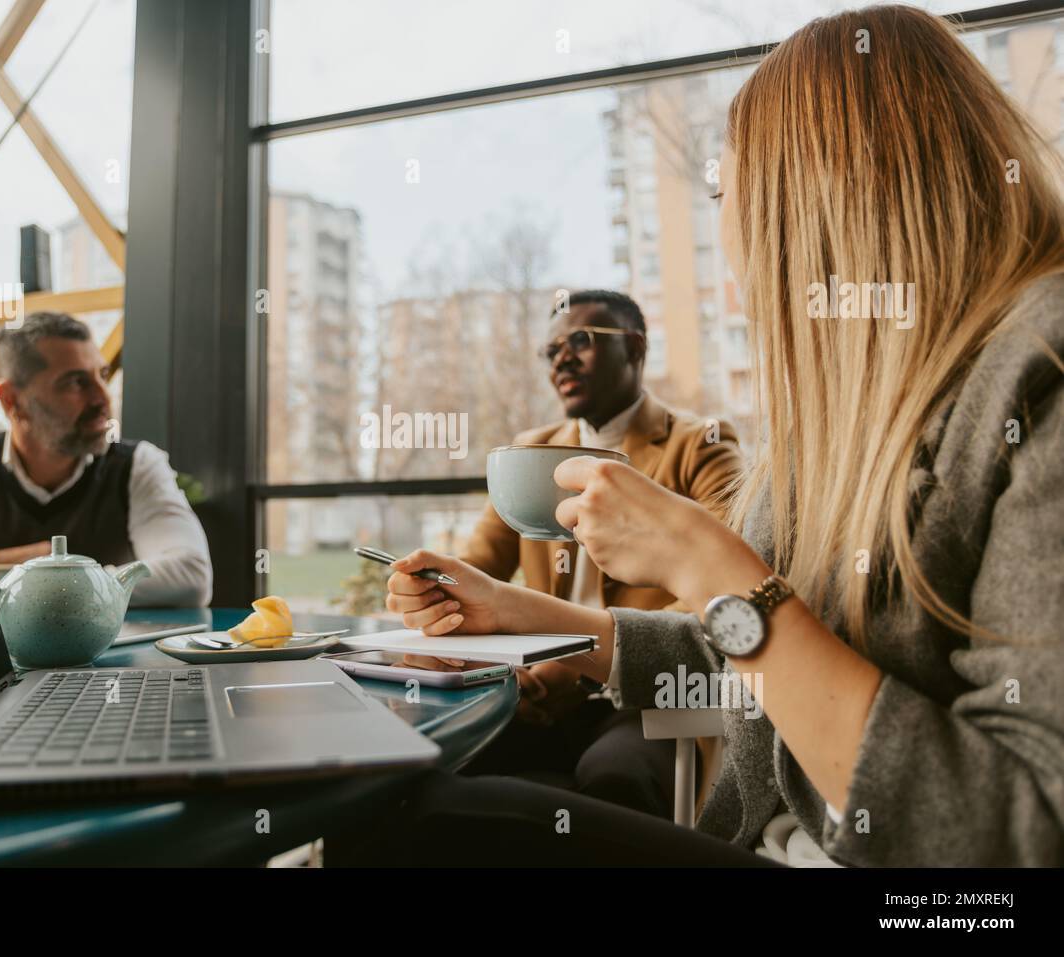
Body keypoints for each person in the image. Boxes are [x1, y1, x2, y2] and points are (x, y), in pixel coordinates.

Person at [331, 4, 1064, 866]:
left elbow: (1022, 831)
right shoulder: (856, 418)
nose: (730, 236)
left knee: (413, 825)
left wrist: (703, 560)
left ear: (825, 195)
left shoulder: (1036, 369)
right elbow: (750, 650)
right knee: (405, 794)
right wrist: (518, 614)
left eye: (726, 192)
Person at [457, 289, 744, 818]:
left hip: (645, 699)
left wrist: (581, 664)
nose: (561, 358)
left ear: (634, 349)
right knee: (425, 766)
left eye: (581, 341)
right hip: (533, 695)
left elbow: (728, 591)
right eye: (551, 350)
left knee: (616, 782)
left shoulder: (698, 444)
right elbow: (474, 569)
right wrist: (439, 594)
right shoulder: (529, 452)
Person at [0, 311, 213, 607]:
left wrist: (21, 570)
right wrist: (100, 585)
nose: (103, 398)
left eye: (101, 376)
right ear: (11, 400)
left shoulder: (136, 465)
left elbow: (191, 578)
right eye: (76, 383)